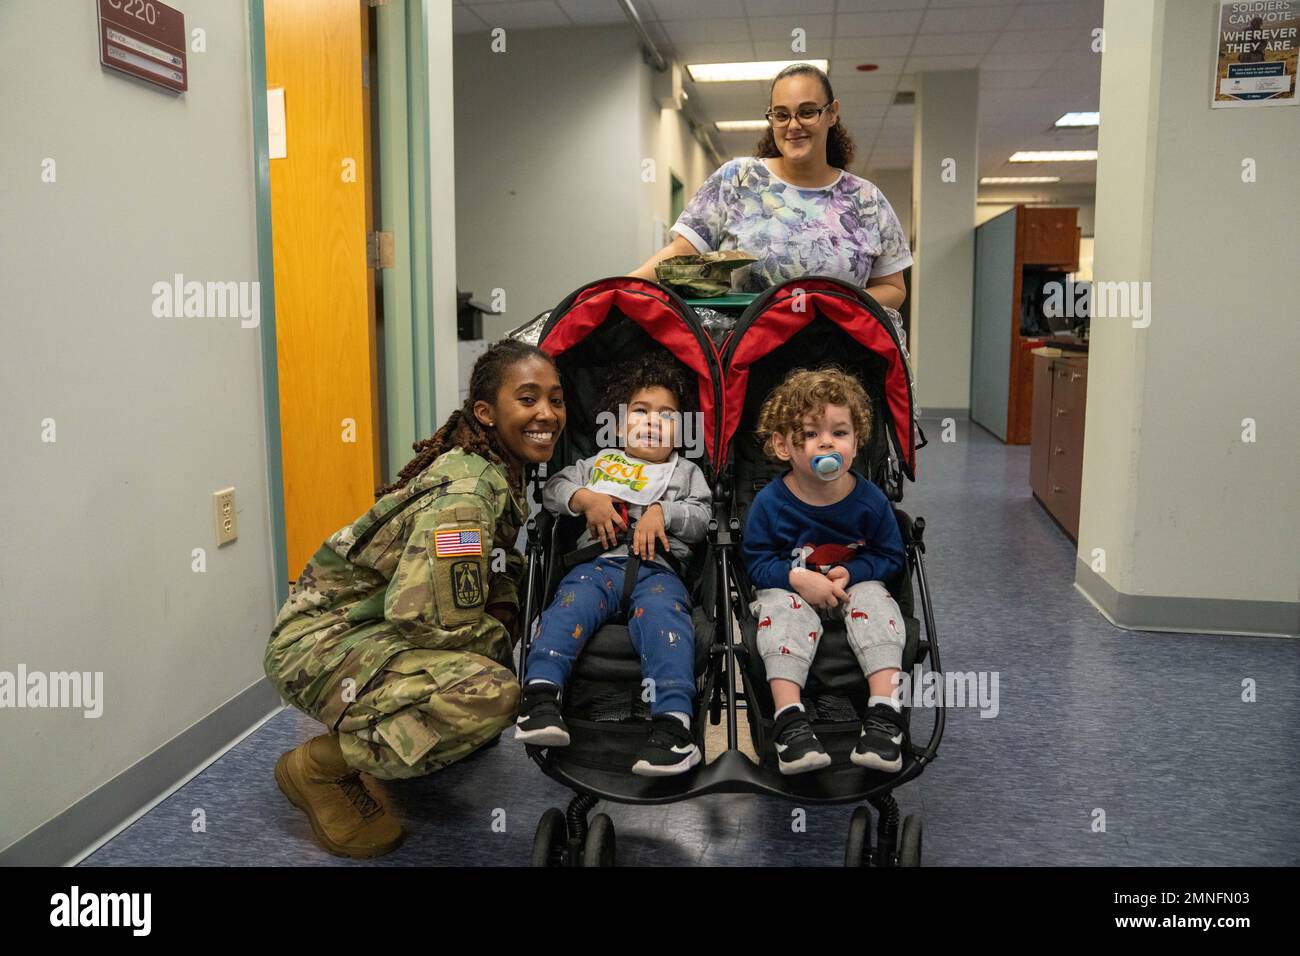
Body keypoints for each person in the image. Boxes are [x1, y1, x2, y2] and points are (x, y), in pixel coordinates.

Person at [264, 340, 565, 857]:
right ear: (485, 413)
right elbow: (426, 619)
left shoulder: (490, 469)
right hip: (318, 647)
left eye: (556, 399)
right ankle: (320, 768)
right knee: (491, 692)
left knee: (492, 638)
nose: (547, 414)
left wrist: (503, 607)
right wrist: (497, 634)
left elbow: (492, 571)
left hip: (360, 628)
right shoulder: (465, 497)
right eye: (528, 399)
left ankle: (402, 734)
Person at [514, 353, 711, 776]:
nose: (653, 421)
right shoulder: (596, 465)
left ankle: (673, 727)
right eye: (640, 411)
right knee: (565, 610)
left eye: (667, 415)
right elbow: (553, 490)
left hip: (658, 573)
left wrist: (664, 512)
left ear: (682, 429)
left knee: (668, 625)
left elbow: (701, 518)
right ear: (619, 425)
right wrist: (587, 499)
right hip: (595, 567)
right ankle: (541, 699)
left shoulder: (686, 473)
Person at [630, 62, 912, 311]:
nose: (793, 125)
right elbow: (683, 252)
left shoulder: (865, 199)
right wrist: (620, 290)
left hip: (837, 361)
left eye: (807, 112)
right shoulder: (737, 179)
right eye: (781, 115)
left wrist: (830, 307)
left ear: (832, 113)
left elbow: (894, 289)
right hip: (747, 358)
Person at [740, 368, 908, 776]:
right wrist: (795, 578)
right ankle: (789, 720)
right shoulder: (770, 503)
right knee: (780, 612)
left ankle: (885, 716)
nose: (827, 442)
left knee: (878, 600)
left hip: (852, 591)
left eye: (840, 432)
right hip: (791, 591)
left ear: (857, 441)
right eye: (811, 434)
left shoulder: (870, 501)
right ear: (782, 445)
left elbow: (891, 554)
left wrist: (854, 573)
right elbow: (756, 561)